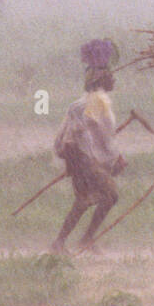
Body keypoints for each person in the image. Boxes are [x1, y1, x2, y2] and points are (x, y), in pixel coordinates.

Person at [49, 40, 126, 254]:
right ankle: (86, 239)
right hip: (85, 160)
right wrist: (116, 158)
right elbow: (103, 136)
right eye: (111, 75)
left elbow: (63, 137)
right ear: (103, 79)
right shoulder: (100, 102)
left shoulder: (78, 103)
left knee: (83, 201)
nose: (114, 79)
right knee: (111, 196)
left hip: (77, 159)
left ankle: (60, 243)